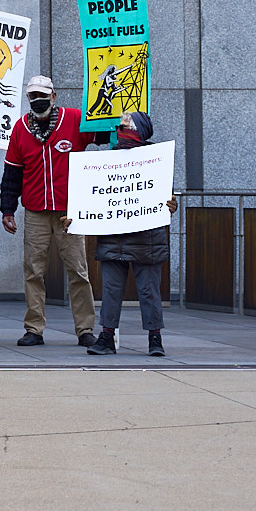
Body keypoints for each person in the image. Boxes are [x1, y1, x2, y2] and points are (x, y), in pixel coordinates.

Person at [0, 76, 99, 348]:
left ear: (54, 96)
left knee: (78, 270)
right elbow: (12, 172)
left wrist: (117, 118)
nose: (38, 99)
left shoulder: (75, 119)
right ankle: (34, 329)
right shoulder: (20, 128)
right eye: (32, 96)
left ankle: (85, 329)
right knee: (33, 270)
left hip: (70, 210)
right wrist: (8, 209)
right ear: (28, 99)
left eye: (43, 94)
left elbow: (103, 134)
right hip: (35, 210)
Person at [83, 111, 176, 357]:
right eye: (119, 127)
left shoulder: (157, 161)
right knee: (111, 290)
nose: (119, 131)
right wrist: (78, 216)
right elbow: (93, 194)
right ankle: (106, 336)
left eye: (124, 127)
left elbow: (166, 194)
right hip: (115, 236)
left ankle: (155, 338)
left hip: (147, 239)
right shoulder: (106, 161)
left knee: (149, 291)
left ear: (138, 132)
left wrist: (171, 203)